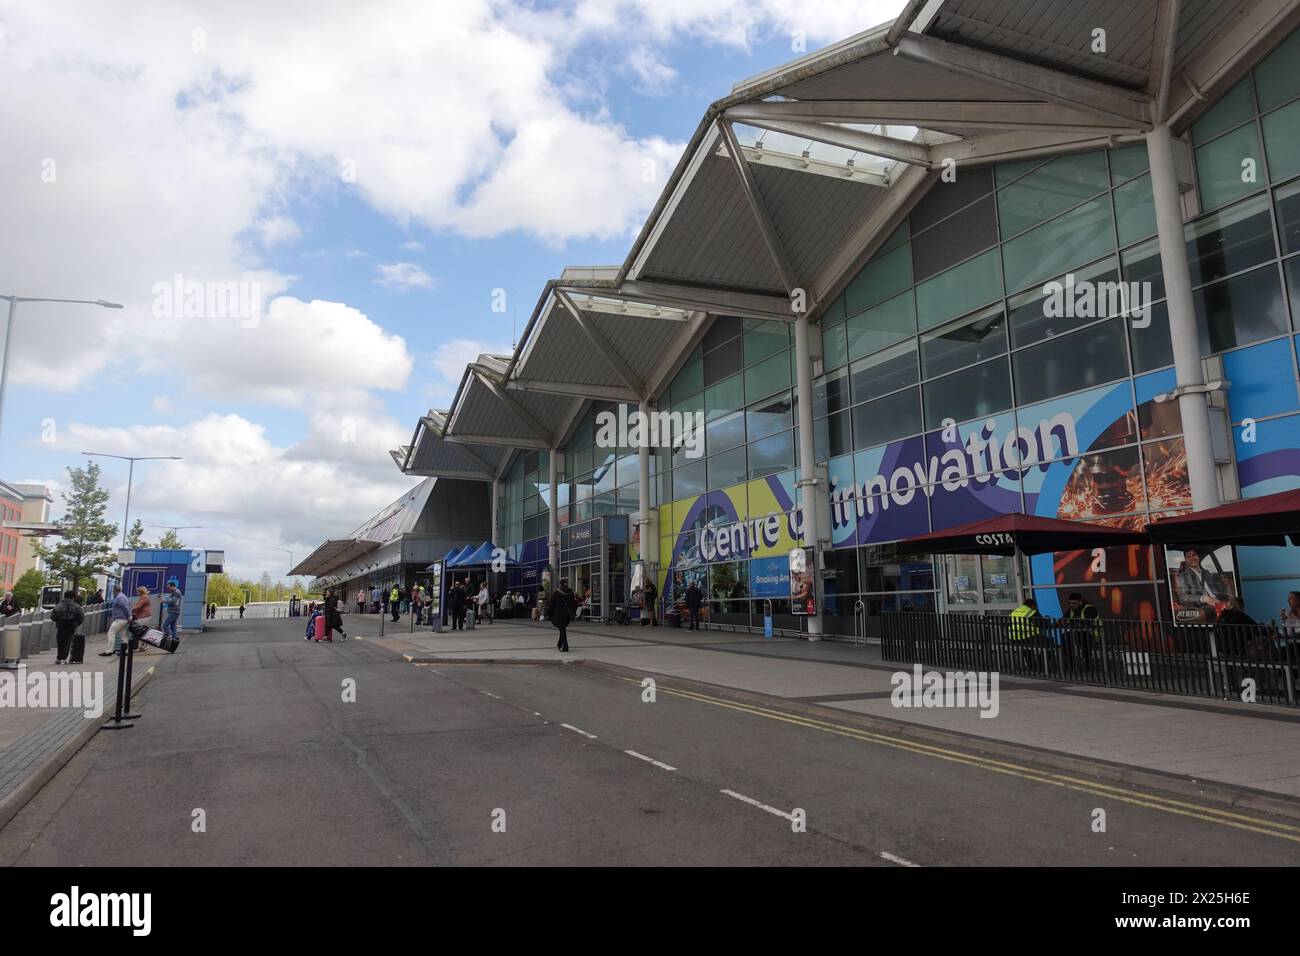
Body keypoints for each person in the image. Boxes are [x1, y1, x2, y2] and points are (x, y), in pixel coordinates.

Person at [1063, 591, 1101, 668]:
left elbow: (1087, 622)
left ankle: (1087, 663)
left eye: (1074, 603)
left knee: (1083, 639)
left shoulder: (1089, 608)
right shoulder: (1071, 610)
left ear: (1080, 602)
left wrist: (1071, 622)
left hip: (1093, 634)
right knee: (1064, 638)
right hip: (1077, 633)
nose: (1071, 605)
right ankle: (1070, 661)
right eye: (1070, 603)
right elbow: (1064, 619)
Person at [51, 590, 85, 665]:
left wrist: (58, 620)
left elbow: (53, 617)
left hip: (61, 626)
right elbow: (81, 617)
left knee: (60, 642)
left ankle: (59, 657)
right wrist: (77, 623)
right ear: (73, 597)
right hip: (71, 626)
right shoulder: (76, 607)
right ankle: (63, 658)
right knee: (67, 642)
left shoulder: (59, 606)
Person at [550, 580, 575, 652]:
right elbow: (573, 603)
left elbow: (552, 604)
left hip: (558, 614)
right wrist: (573, 612)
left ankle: (565, 646)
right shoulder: (571, 593)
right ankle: (560, 644)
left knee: (562, 629)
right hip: (567, 614)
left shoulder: (557, 593)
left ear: (560, 585)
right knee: (562, 628)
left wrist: (549, 613)